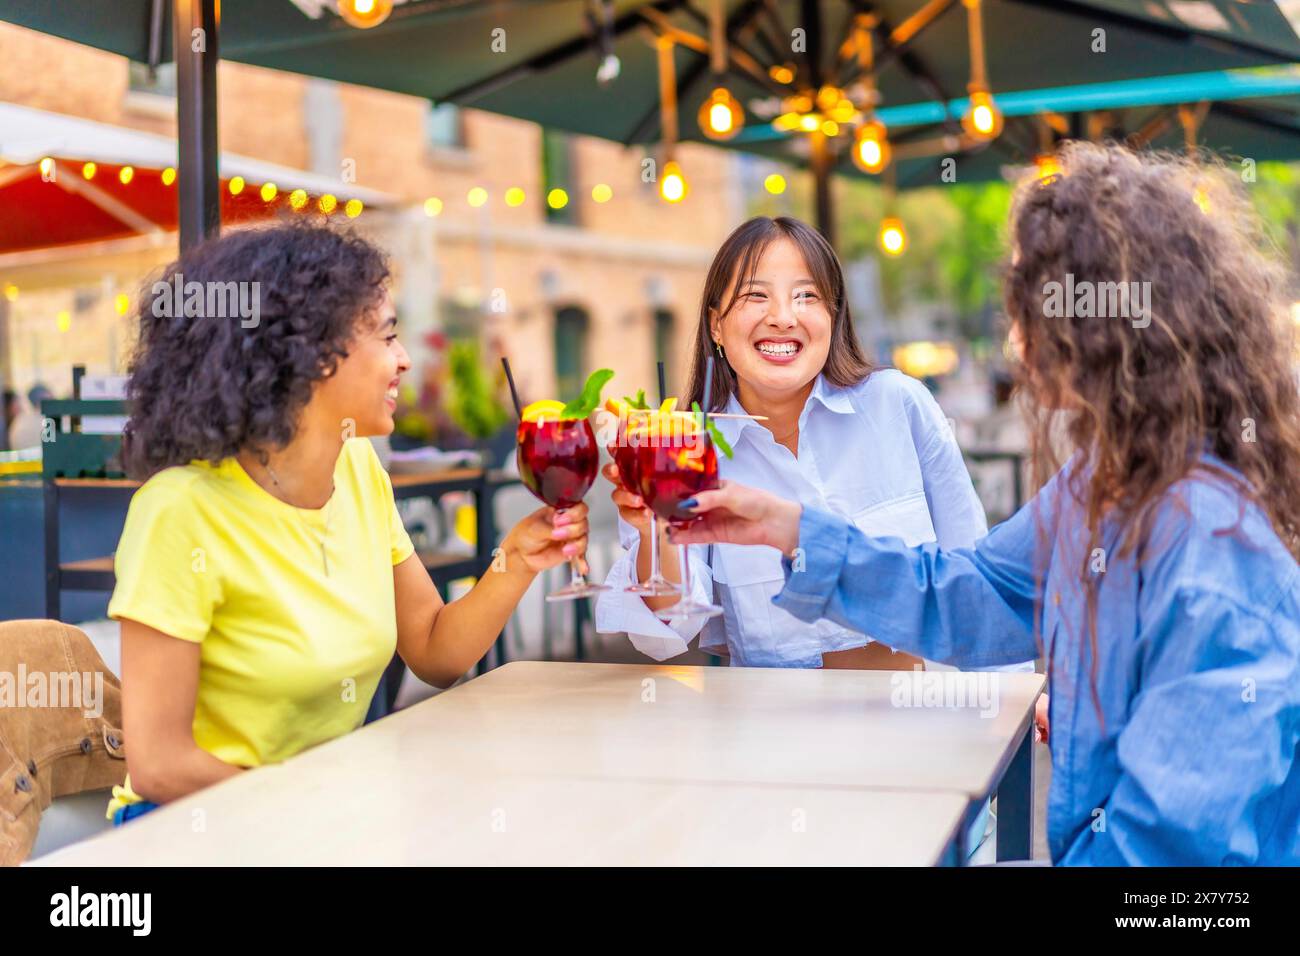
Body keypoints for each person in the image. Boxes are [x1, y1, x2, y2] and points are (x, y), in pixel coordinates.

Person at [668, 143, 1300, 865]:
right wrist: (791, 532)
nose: (1012, 339)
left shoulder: (1215, 556)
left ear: (1101, 330)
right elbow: (970, 593)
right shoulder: (1105, 485)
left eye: (1027, 308)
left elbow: (1159, 861)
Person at [106, 223, 590, 824]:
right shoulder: (180, 511)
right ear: (309, 356)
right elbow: (159, 763)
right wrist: (316, 801)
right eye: (388, 336)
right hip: (196, 826)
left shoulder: (358, 467)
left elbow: (435, 650)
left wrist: (516, 559)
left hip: (320, 817)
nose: (405, 359)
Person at [596, 215, 1031, 859]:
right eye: (754, 296)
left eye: (806, 296)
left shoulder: (899, 405)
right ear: (716, 323)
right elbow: (664, 632)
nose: (783, 317)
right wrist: (653, 524)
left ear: (833, 316)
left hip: (927, 755)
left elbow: (978, 579)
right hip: (774, 771)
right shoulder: (687, 446)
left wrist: (1013, 719)